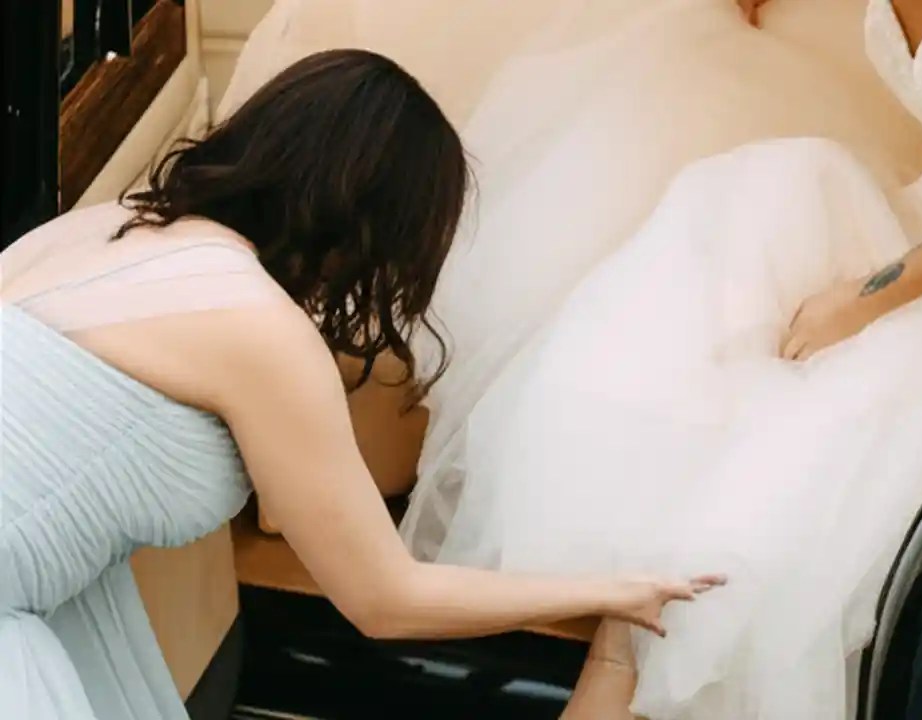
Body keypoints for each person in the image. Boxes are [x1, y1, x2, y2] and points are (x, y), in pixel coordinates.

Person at [0, 49, 722, 720]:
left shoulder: (99, 227)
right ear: (375, 226)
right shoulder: (260, 327)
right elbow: (385, 599)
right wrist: (610, 590)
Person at [416, 0, 922, 716]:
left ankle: (645, 615)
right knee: (763, 189)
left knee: (818, 438)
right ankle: (636, 501)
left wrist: (855, 304)